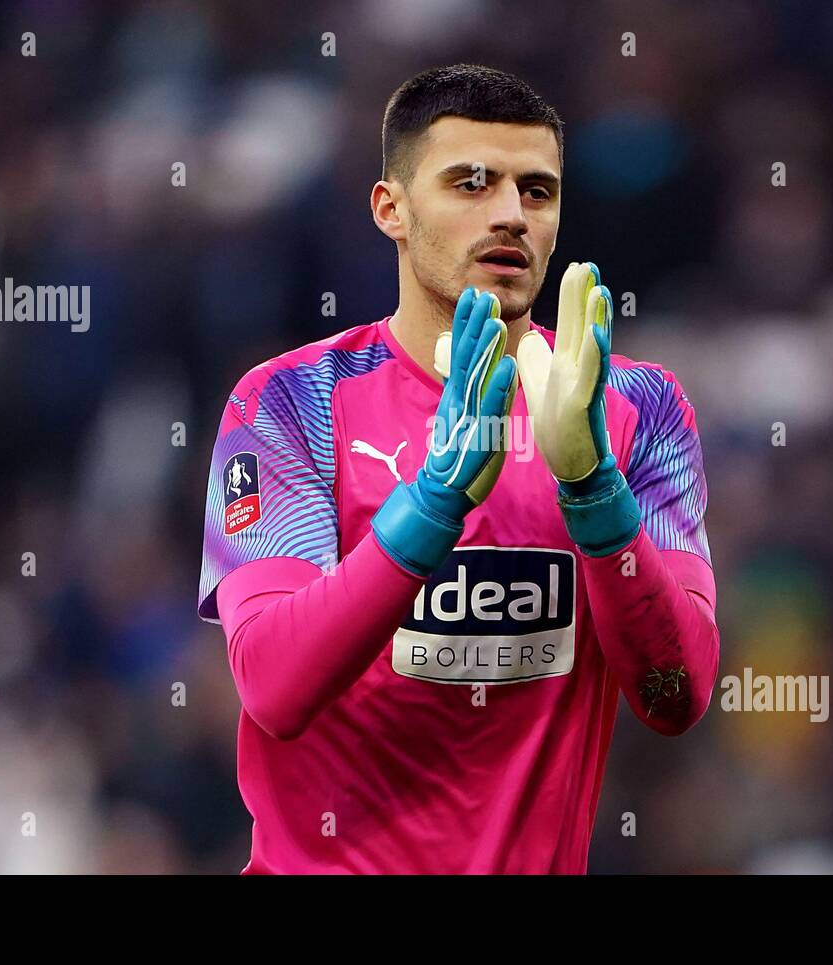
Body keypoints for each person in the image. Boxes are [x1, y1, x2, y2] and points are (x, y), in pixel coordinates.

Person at [197, 63, 719, 874]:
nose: (510, 213)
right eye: (470, 183)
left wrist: (593, 491)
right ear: (391, 208)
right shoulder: (290, 403)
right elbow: (274, 686)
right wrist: (435, 503)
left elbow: (675, 697)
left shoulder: (636, 412)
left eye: (537, 191)